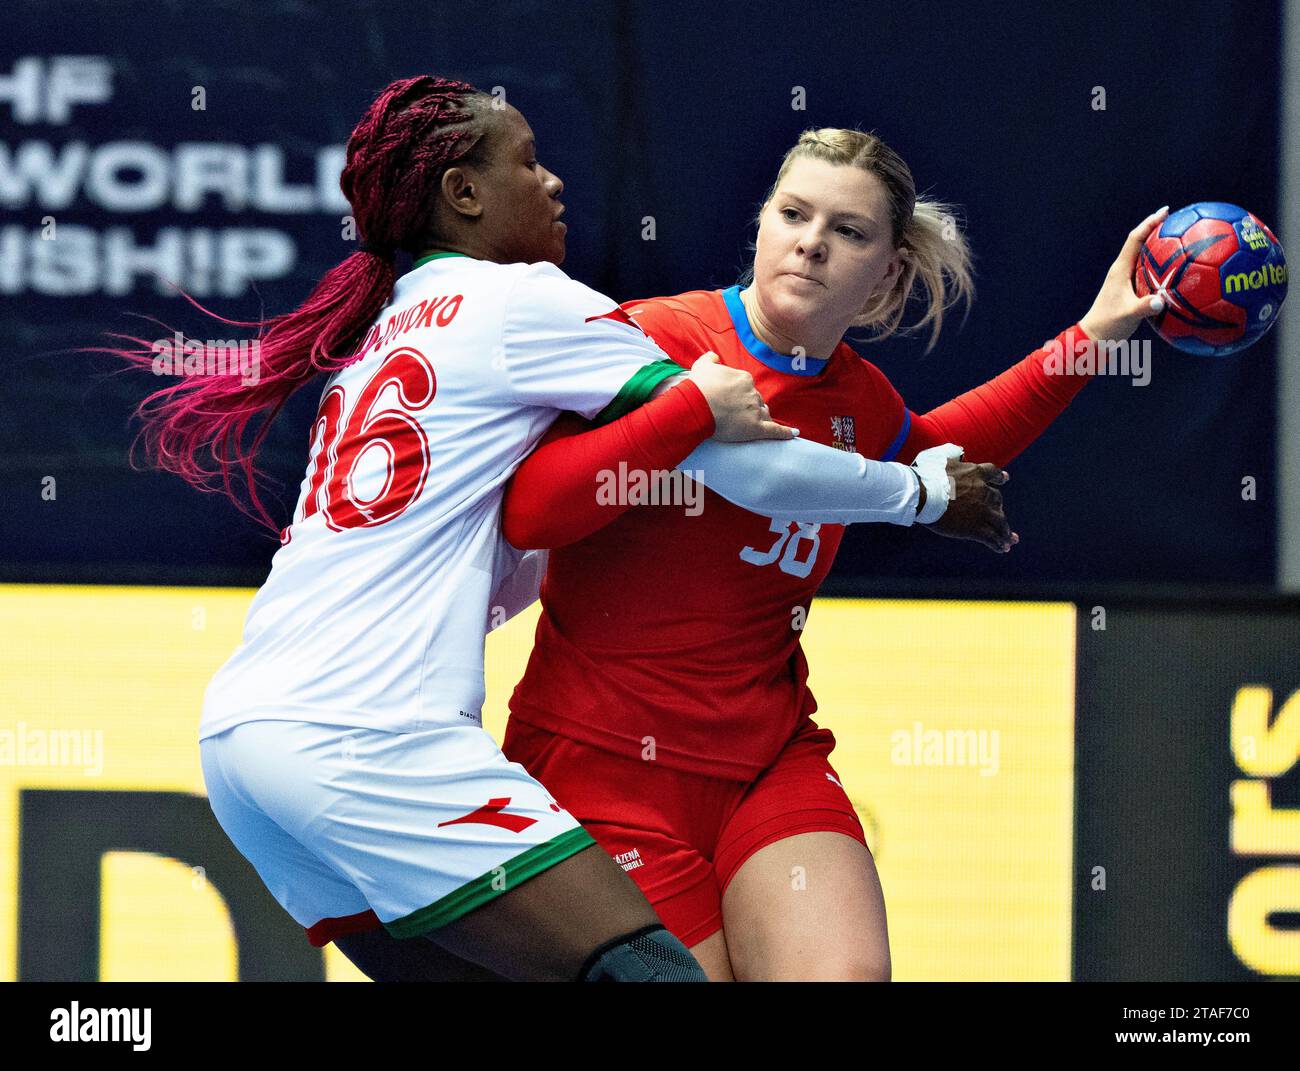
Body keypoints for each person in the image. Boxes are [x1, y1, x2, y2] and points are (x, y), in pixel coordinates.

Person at [115, 79, 1009, 982]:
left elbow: (524, 527)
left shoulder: (385, 330)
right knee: (653, 975)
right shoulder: (530, 300)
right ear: (464, 196)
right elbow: (746, 468)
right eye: (529, 163)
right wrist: (909, 492)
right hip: (376, 736)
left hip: (242, 742)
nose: (554, 185)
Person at [488, 128, 1169, 980]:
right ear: (763, 225)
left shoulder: (859, 398)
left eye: (848, 231)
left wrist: (1096, 333)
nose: (810, 241)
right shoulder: (651, 339)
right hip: (602, 767)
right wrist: (677, 426)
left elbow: (940, 455)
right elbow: (533, 508)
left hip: (766, 762)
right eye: (793, 213)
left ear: (885, 270)